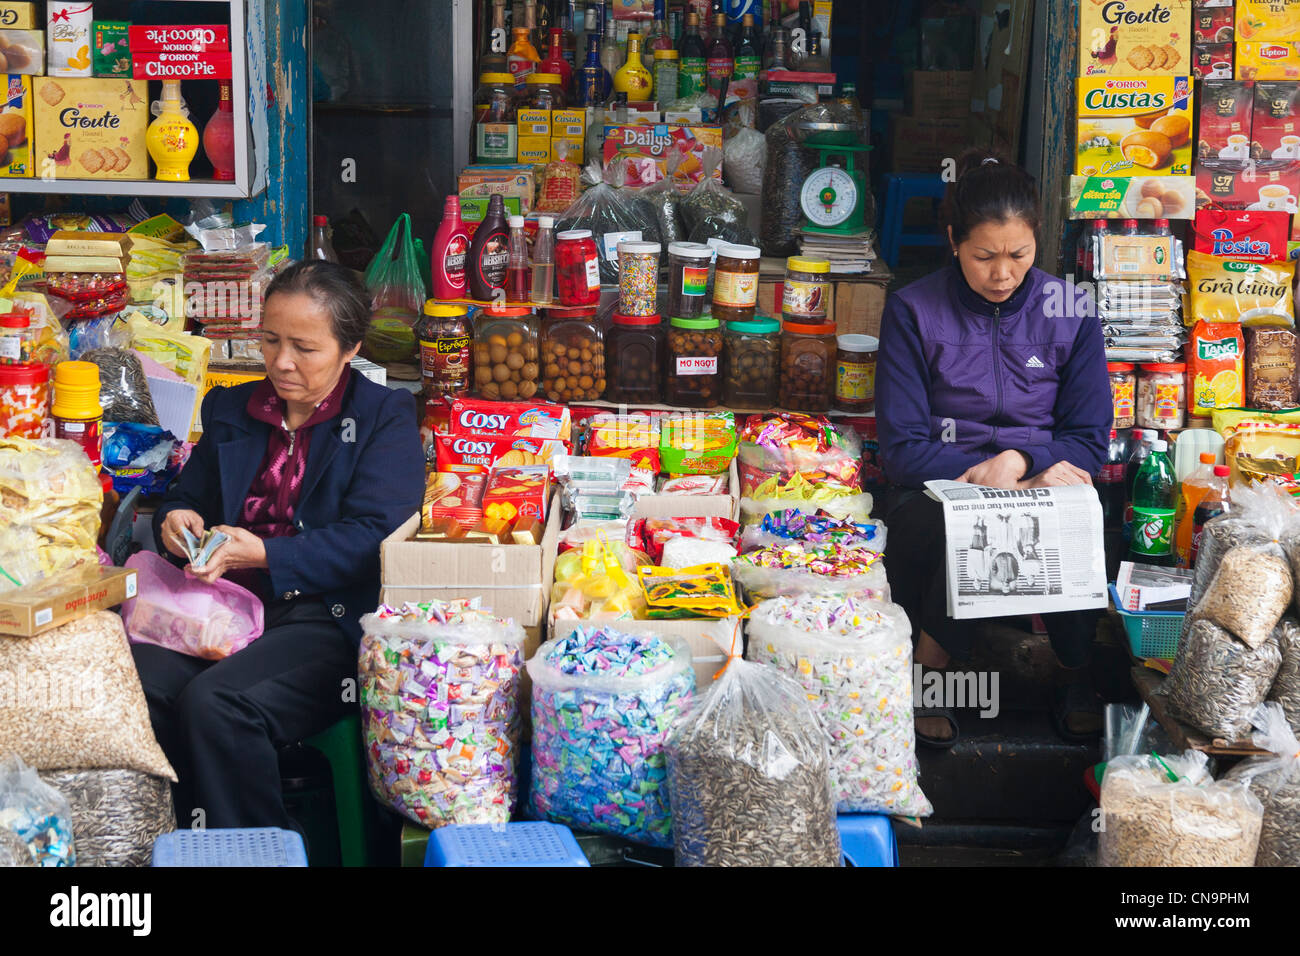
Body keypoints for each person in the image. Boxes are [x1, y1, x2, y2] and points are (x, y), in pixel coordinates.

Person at [131, 260, 425, 830]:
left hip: (322, 619)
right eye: (270, 340)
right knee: (136, 682)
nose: (281, 362)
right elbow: (184, 497)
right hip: (220, 609)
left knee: (220, 704)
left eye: (304, 348)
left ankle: (253, 853)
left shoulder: (382, 417)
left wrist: (264, 555)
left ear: (349, 349)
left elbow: (372, 538)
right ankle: (175, 838)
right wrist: (178, 521)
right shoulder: (232, 409)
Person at [876, 149, 1111, 748]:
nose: (1003, 273)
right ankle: (932, 673)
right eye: (984, 256)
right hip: (935, 489)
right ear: (954, 240)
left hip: (1039, 476)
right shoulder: (913, 309)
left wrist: (1024, 464)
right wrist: (990, 475)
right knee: (975, 522)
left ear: (1038, 241)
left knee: (1076, 511)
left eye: (1019, 255)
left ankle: (1072, 670)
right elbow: (903, 449)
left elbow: (1089, 437)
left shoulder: (1071, 308)